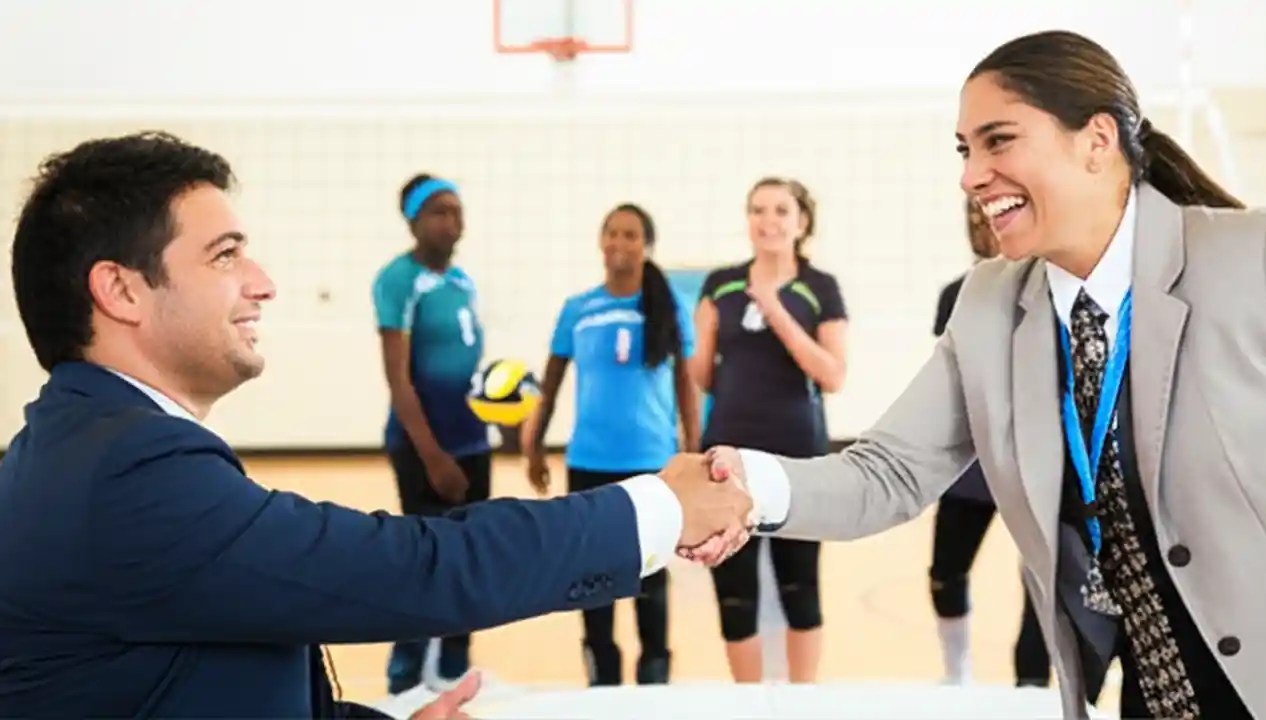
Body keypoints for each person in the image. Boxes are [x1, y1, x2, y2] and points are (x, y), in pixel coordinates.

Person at [0, 131, 752, 718]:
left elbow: (207, 678)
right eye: (226, 255)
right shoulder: (125, 474)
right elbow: (414, 568)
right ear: (121, 290)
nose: (262, 283)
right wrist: (659, 505)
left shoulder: (91, 448)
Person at [687, 29, 1266, 720]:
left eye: (998, 141)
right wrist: (751, 486)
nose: (971, 177)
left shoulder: (1254, 260)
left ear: (1096, 140)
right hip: (1152, 698)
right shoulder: (991, 303)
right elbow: (889, 473)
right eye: (966, 151)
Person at [522, 203, 700, 686]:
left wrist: (694, 449)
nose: (620, 243)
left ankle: (654, 679)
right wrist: (534, 443)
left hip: (652, 462)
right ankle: (602, 681)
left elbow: (687, 383)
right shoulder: (578, 309)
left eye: (631, 235)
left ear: (646, 245)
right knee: (593, 577)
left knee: (651, 578)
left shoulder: (666, 307)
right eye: (612, 233)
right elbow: (553, 382)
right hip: (589, 462)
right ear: (601, 242)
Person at [689, 177, 848, 683]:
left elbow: (832, 374)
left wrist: (774, 308)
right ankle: (748, 702)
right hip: (726, 456)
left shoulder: (818, 287)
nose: (768, 220)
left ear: (801, 223)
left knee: (799, 585)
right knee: (734, 591)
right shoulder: (721, 284)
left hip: (796, 459)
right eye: (758, 210)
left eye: (781, 210)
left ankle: (802, 701)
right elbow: (704, 372)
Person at [373, 173, 493, 693]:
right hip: (424, 444)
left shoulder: (463, 281)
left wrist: (503, 416)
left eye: (457, 210)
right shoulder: (399, 280)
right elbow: (398, 379)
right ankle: (405, 672)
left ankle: (453, 667)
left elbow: (470, 365)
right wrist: (434, 457)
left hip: (472, 439)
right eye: (440, 211)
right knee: (423, 556)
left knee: (472, 552)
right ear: (414, 220)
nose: (452, 221)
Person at [928, 199, 1050, 688]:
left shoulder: (1048, 285)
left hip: (1035, 460)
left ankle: (1032, 687)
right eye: (972, 220)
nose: (982, 228)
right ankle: (956, 671)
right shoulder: (955, 294)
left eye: (988, 218)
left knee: (1040, 583)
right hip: (972, 462)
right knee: (945, 572)